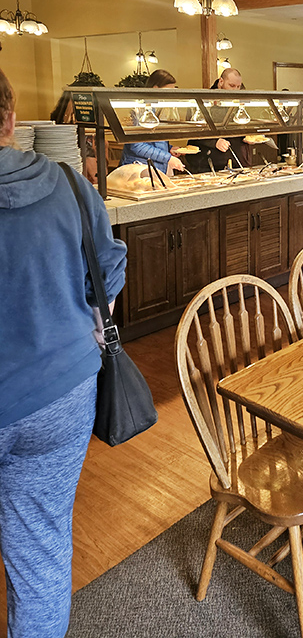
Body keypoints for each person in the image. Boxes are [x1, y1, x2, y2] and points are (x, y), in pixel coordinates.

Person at [0, 66, 127, 638]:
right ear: (10, 116)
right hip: (63, 391)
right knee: (41, 555)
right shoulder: (71, 185)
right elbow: (108, 267)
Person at [118, 69, 185, 175]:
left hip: (155, 169)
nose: (171, 94)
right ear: (155, 88)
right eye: (168, 90)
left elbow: (154, 140)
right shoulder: (140, 109)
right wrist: (167, 158)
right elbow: (137, 146)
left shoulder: (159, 108)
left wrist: (169, 149)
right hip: (139, 170)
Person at [186, 67, 251, 171]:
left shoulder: (239, 100)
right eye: (232, 86)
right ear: (221, 81)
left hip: (235, 160)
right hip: (207, 161)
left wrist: (247, 135)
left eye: (238, 87)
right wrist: (214, 142)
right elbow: (194, 130)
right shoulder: (204, 101)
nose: (235, 90)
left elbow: (241, 123)